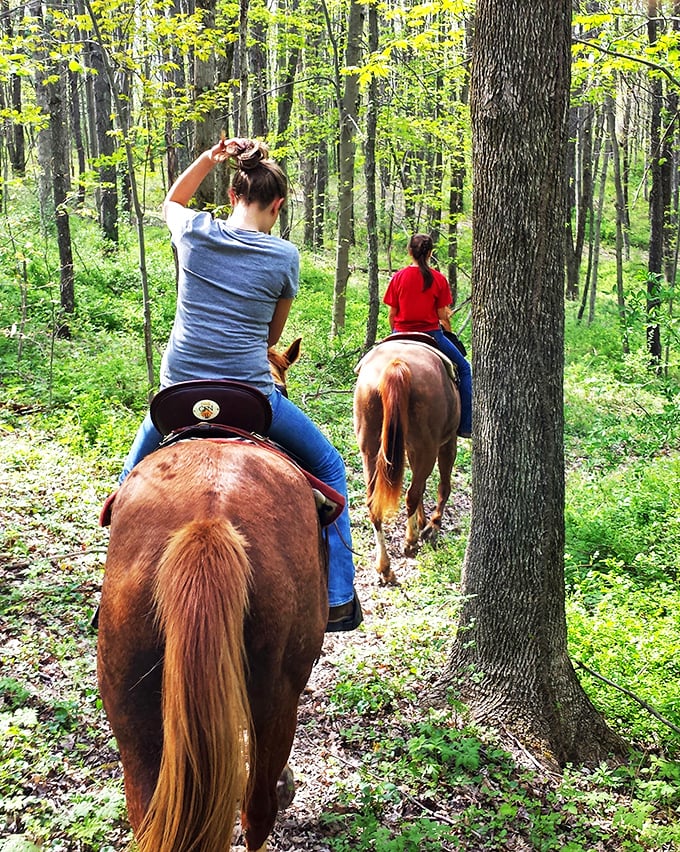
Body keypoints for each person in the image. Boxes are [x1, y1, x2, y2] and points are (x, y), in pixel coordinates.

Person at [119, 136, 362, 632]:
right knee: (330, 467)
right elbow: (271, 337)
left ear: (232, 195)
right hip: (249, 398)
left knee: (127, 488)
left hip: (178, 396)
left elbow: (172, 200)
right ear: (278, 205)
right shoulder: (285, 256)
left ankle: (114, 590)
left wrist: (209, 158)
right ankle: (339, 595)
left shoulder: (193, 231)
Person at [383, 233, 472, 437]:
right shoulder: (439, 279)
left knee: (367, 365)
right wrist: (448, 332)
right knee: (465, 369)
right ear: (431, 253)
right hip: (431, 334)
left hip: (400, 333)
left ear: (409, 252)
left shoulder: (398, 277)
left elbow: (392, 314)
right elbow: (442, 316)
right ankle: (466, 425)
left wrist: (394, 333)